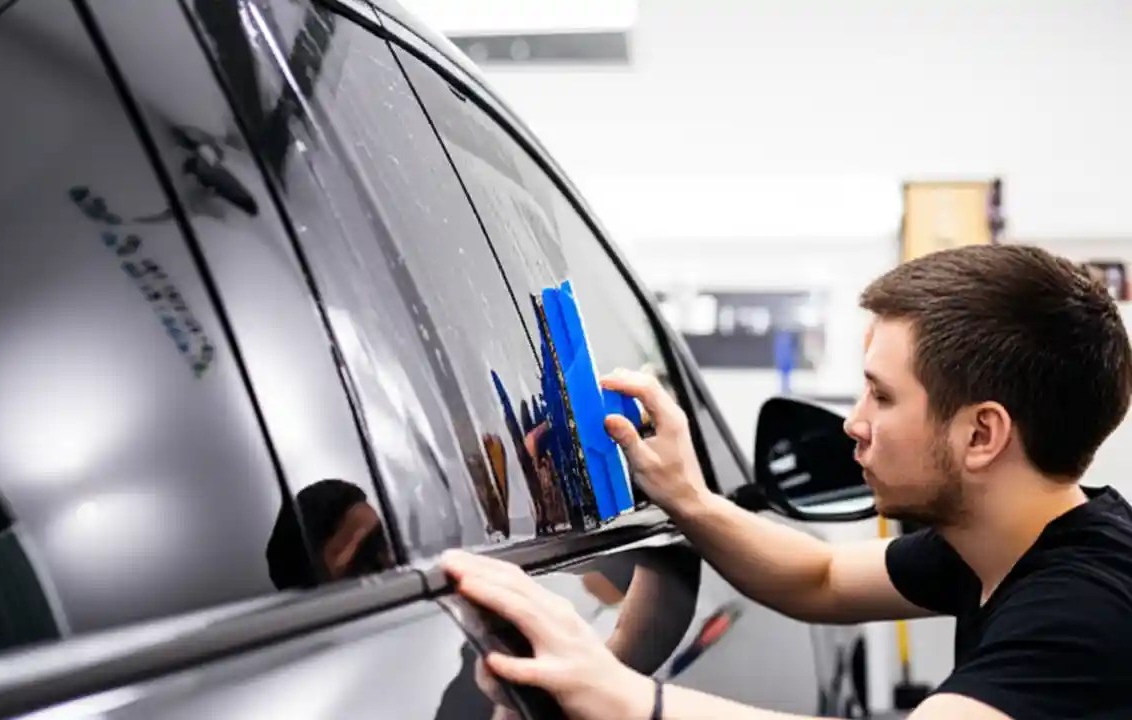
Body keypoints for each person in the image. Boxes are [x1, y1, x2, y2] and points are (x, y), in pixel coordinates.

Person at [442, 244, 1132, 720]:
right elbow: (821, 577)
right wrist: (686, 497)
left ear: (981, 435)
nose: (852, 426)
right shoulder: (1005, 540)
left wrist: (623, 698)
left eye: (881, 398)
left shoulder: (1087, 607)